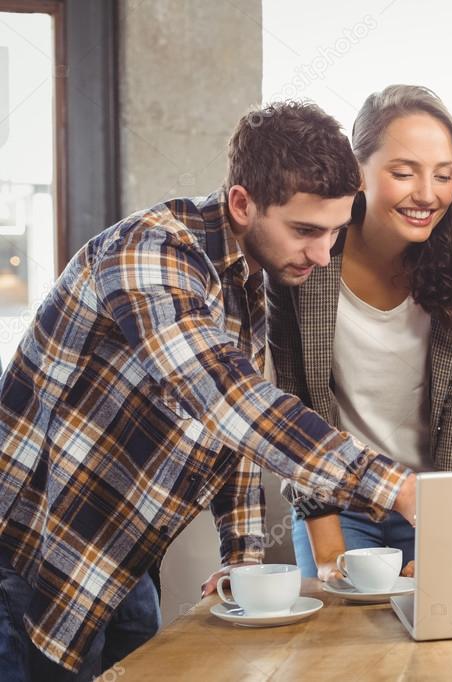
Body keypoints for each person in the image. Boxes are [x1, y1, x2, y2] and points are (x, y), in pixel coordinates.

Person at [0, 102, 416, 681]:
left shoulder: (244, 281)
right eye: (305, 231)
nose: (322, 256)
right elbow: (226, 397)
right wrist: (395, 487)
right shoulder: (149, 252)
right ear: (243, 203)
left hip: (122, 560)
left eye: (334, 233)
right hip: (29, 554)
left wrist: (241, 562)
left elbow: (233, 438)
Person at [268, 86, 452, 580]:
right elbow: (294, 401)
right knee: (341, 644)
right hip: (339, 500)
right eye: (403, 172)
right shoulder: (309, 249)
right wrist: (328, 548)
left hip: (434, 498)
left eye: (444, 174)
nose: (427, 194)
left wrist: (450, 530)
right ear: (358, 173)